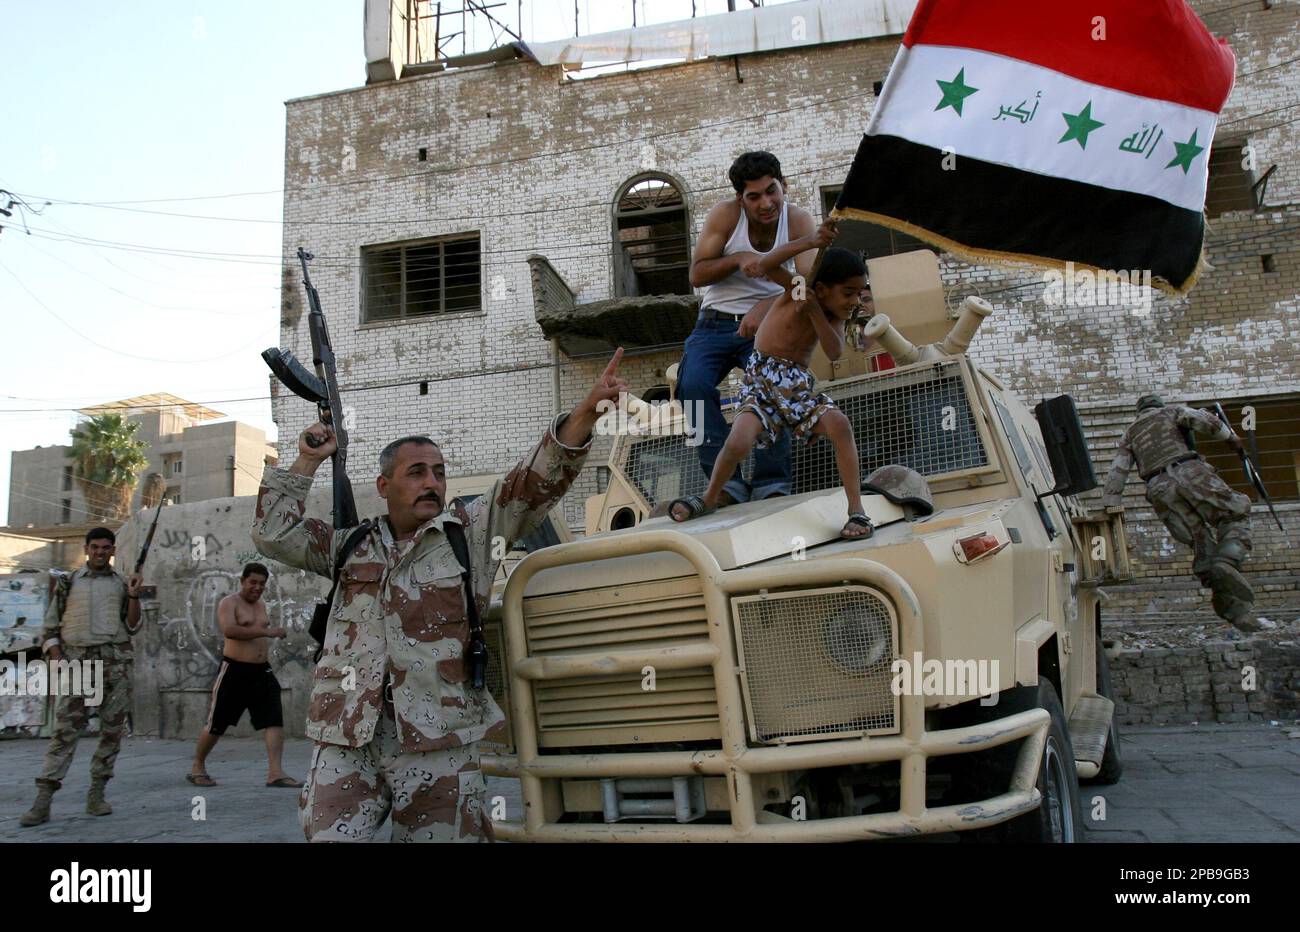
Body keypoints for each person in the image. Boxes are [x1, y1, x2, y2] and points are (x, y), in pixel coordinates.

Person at [251, 350, 626, 842]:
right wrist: (307, 459)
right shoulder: (347, 545)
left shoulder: (468, 535)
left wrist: (584, 415)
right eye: (416, 472)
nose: (431, 482)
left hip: (438, 738)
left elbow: (533, 484)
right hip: (346, 734)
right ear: (384, 485)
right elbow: (272, 534)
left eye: (438, 472)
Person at [670, 240, 873, 539]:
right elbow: (765, 265)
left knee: (840, 424)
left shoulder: (833, 317)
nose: (855, 300)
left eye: (859, 292)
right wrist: (812, 241)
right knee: (739, 441)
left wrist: (816, 312)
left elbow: (833, 353)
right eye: (848, 292)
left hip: (796, 388)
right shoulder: (797, 289)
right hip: (762, 382)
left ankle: (856, 510)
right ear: (822, 287)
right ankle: (710, 498)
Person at [680, 151, 818, 507]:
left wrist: (768, 306)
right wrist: (739, 260)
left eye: (771, 191)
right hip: (714, 322)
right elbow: (697, 274)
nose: (766, 203)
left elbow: (809, 285)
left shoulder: (799, 221)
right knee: (690, 389)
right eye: (754, 196)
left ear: (783, 185)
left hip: (769, 323)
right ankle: (724, 484)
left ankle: (772, 483)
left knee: (773, 385)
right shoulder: (725, 216)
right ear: (740, 198)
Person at [19, 527, 142, 827]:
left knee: (111, 734)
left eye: (106, 547)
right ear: (86, 549)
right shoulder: (67, 583)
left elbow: (134, 625)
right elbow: (50, 629)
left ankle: (97, 794)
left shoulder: (123, 584)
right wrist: (59, 658)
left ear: (113, 551)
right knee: (64, 734)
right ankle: (43, 800)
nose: (100, 552)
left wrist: (134, 595)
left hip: (114, 666)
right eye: (95, 547)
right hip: (78, 665)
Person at [1100, 395, 1257, 629]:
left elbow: (1117, 472)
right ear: (1158, 405)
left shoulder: (1130, 433)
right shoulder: (1171, 411)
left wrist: (1110, 508)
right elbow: (1203, 421)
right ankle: (1227, 560)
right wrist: (1231, 438)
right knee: (1234, 514)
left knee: (1199, 539)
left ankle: (1237, 612)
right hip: (1189, 471)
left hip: (1159, 489)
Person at [187, 563, 300, 788]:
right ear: (243, 581)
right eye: (253, 582)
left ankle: (275, 773)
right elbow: (230, 630)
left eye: (261, 584)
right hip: (234, 670)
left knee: (274, 719)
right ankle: (197, 767)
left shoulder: (261, 605)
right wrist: (267, 631)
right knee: (217, 722)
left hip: (262, 670)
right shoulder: (229, 603)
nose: (257, 587)